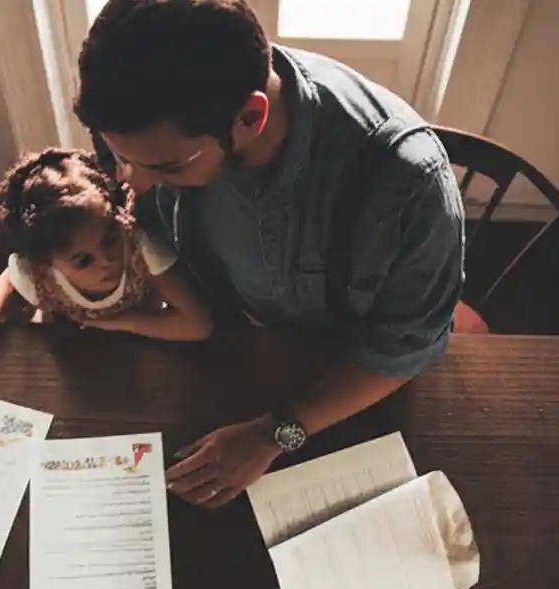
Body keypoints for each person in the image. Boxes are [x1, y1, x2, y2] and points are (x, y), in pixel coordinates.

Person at [75, 0, 466, 508]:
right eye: (119, 156)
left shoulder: (406, 185)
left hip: (338, 380)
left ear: (251, 116)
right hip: (219, 348)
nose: (133, 183)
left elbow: (399, 351)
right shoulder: (153, 116)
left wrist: (274, 434)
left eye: (166, 167)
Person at [0, 149, 213, 374]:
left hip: (141, 350)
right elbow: (9, 278)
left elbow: (198, 325)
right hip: (67, 355)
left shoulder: (141, 250)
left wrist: (124, 322)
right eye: (84, 260)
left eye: (109, 238)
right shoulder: (37, 272)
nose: (107, 260)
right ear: (46, 262)